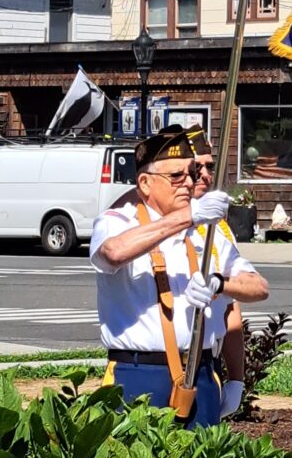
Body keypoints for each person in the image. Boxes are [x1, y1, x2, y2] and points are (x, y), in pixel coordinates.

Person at [91, 125, 268, 425]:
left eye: (192, 174)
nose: (188, 182)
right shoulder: (119, 220)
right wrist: (189, 216)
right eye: (176, 176)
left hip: (200, 372)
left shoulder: (207, 232)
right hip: (138, 373)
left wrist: (220, 284)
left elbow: (258, 287)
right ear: (145, 183)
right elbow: (114, 252)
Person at [189, 135, 269, 414]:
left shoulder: (218, 228)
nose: (204, 176)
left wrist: (236, 379)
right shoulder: (155, 223)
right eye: (195, 168)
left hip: (206, 363)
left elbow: (232, 308)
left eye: (209, 168)